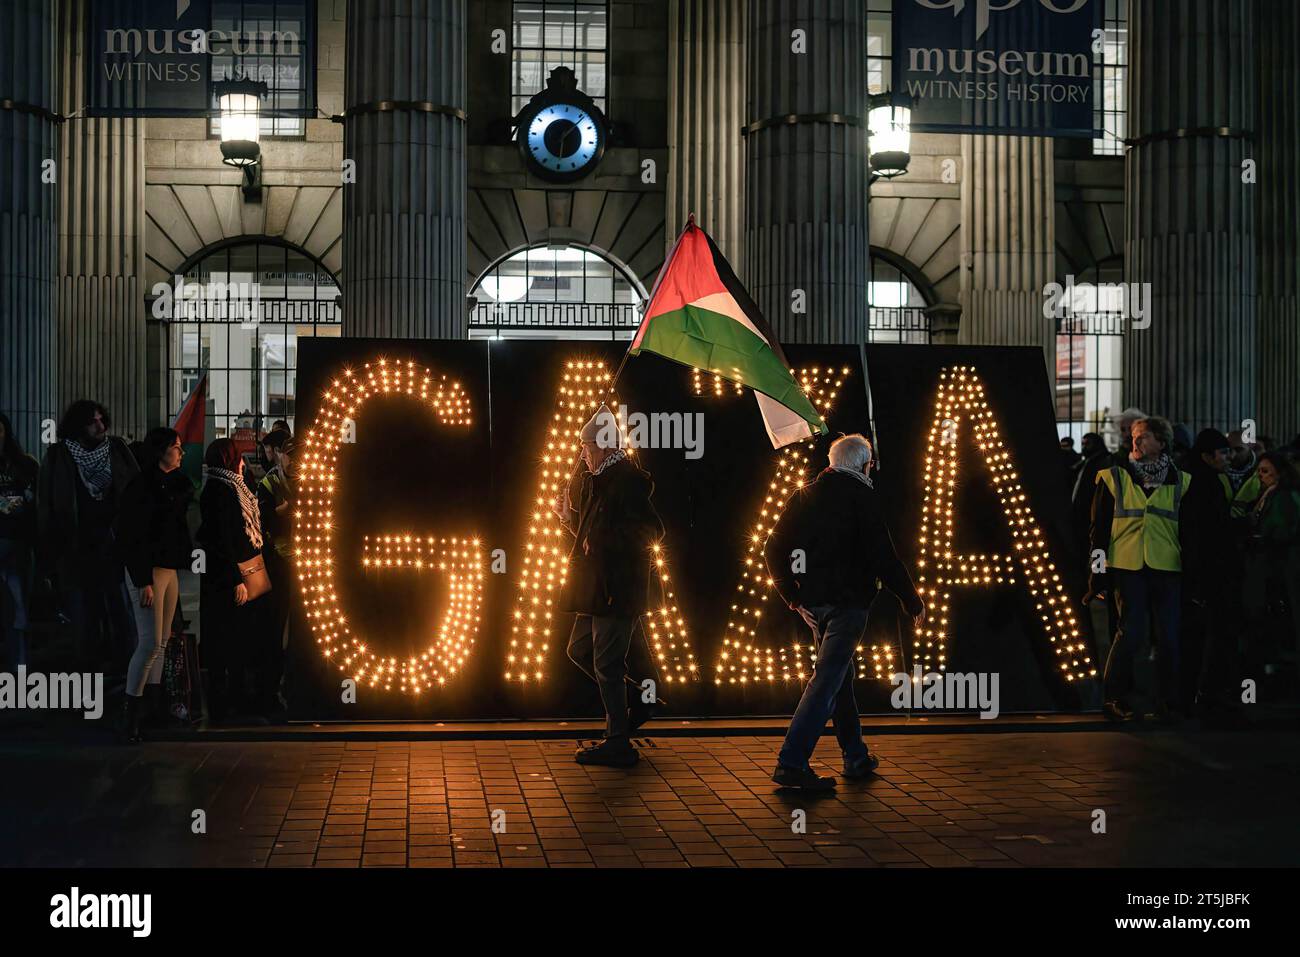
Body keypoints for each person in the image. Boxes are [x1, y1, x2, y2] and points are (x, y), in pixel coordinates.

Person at [764, 434, 925, 792]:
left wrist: (792, 596)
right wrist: (911, 599)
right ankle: (791, 762)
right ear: (864, 464)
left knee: (839, 679)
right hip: (849, 604)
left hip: (814, 603)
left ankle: (855, 756)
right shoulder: (863, 497)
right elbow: (884, 556)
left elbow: (772, 546)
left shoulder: (803, 494)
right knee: (826, 681)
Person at [552, 404, 665, 768]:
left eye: (585, 447)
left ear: (601, 446)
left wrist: (604, 540)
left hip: (617, 590)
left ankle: (619, 741)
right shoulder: (597, 483)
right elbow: (587, 541)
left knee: (607, 663)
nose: (582, 453)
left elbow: (650, 532)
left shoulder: (627, 481)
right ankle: (641, 700)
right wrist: (569, 520)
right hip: (598, 590)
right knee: (580, 648)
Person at [1085, 416, 1191, 722]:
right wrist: (1097, 575)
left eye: (1143, 436)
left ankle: (1168, 702)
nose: (1136, 441)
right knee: (1131, 633)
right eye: (1134, 436)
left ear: (1161, 441)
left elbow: (1189, 532)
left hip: (1167, 566)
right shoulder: (1112, 476)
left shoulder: (1181, 480)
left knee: (1168, 637)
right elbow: (1098, 531)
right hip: (1127, 565)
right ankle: (1115, 698)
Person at [37, 400, 140, 671]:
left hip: (114, 542)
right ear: (78, 426)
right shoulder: (59, 455)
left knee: (120, 605)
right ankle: (88, 665)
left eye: (101, 419)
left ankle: (125, 664)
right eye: (92, 421)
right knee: (83, 608)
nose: (100, 425)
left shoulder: (117, 449)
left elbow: (137, 490)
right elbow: (46, 504)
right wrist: (49, 549)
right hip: (75, 545)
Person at [114, 428, 194, 742]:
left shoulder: (172, 485)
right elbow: (131, 538)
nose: (181, 452)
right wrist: (143, 580)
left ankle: (149, 707)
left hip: (167, 569)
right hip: (147, 572)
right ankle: (131, 713)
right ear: (161, 452)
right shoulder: (142, 488)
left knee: (160, 641)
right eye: (176, 447)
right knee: (149, 642)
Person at [197, 439, 266, 724]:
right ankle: (227, 704)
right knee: (229, 638)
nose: (243, 461)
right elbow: (224, 539)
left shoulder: (230, 486)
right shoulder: (221, 490)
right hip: (227, 579)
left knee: (232, 637)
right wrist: (236, 578)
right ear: (229, 459)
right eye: (238, 457)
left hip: (231, 575)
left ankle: (231, 700)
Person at [1178, 429, 1243, 721]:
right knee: (1212, 636)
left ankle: (1192, 695)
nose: (1228, 457)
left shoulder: (1195, 478)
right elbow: (1209, 532)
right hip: (1212, 573)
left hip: (1200, 573)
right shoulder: (1206, 484)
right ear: (1207, 455)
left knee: (1198, 636)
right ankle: (1206, 695)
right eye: (1224, 452)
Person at [1239, 451, 1300, 673]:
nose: (1260, 476)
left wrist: (1262, 537)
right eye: (1259, 471)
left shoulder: (1282, 496)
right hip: (1271, 563)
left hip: (1277, 564)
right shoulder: (1272, 494)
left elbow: (1284, 529)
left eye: (1265, 471)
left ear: (1280, 472)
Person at [255, 429, 295, 718]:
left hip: (306, 562)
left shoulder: (313, 481)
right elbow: (264, 521)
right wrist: (284, 512)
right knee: (276, 627)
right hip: (280, 562)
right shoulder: (269, 483)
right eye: (291, 456)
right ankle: (270, 691)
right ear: (280, 455)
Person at [0, 413, 40, 669]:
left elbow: (37, 500)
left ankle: (19, 663)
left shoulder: (24, 464)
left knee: (18, 603)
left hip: (17, 541)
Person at [1069, 432, 1109, 555]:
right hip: (1083, 514)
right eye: (1083, 444)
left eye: (1087, 444)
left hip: (1094, 513)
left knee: (1096, 549)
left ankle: (1098, 571)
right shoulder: (1086, 462)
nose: (1084, 447)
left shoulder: (1103, 461)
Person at [1222, 429, 1262, 520]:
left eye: (1238, 450)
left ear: (1250, 447)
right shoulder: (1218, 471)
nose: (1232, 455)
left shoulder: (1262, 470)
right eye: (1229, 450)